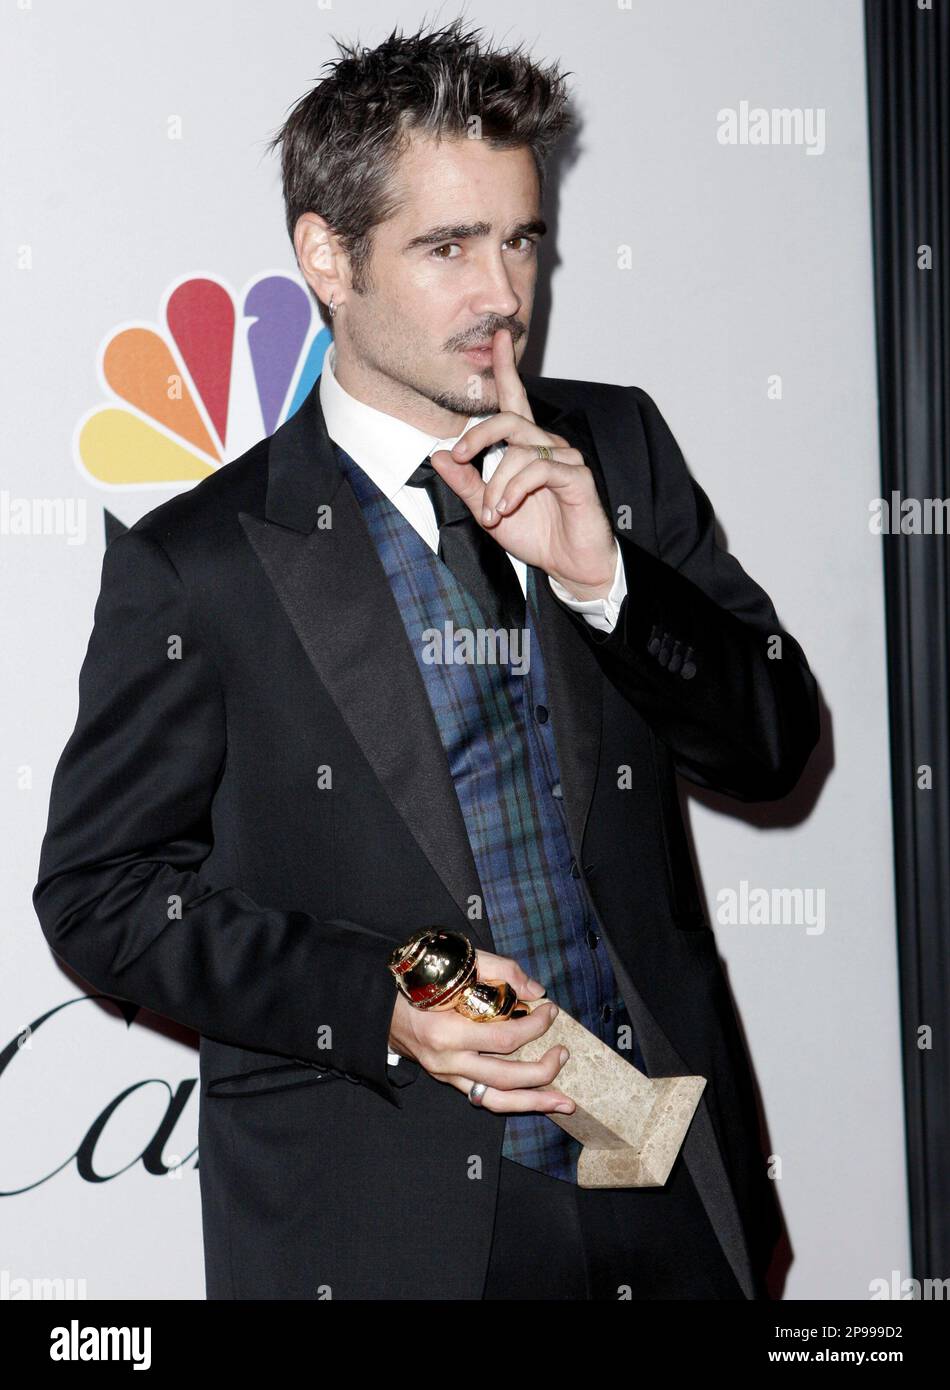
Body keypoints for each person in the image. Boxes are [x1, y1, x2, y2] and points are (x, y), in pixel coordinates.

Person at [33, 20, 819, 1300]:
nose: (501, 292)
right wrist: (373, 1000)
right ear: (325, 256)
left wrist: (608, 583)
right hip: (380, 1226)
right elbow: (101, 895)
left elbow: (775, 743)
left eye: (517, 239)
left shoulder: (615, 451)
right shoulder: (204, 562)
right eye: (446, 247)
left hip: (665, 1188)